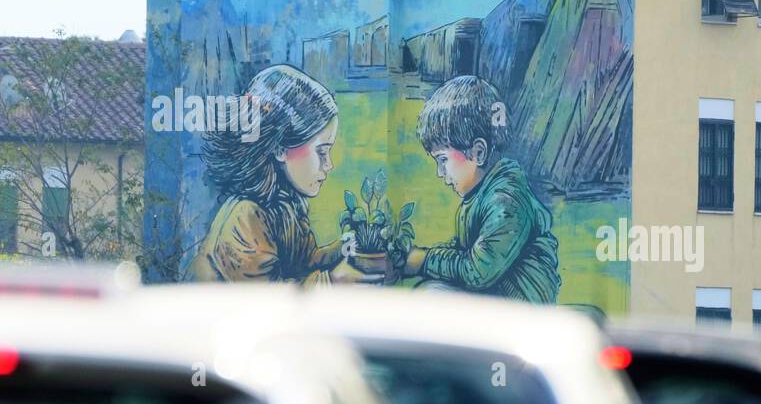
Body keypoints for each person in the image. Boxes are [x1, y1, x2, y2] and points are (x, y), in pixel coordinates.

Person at [191, 64, 371, 285]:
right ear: (280, 149)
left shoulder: (286, 205)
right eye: (321, 152)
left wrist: (339, 249)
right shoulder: (244, 217)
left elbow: (304, 261)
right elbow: (267, 301)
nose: (329, 165)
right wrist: (331, 282)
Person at [401, 75, 560, 302]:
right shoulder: (481, 195)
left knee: (430, 296)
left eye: (443, 160)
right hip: (498, 299)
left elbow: (477, 271)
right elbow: (464, 252)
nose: (439, 172)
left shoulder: (506, 200)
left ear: (478, 153)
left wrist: (425, 261)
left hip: (524, 310)